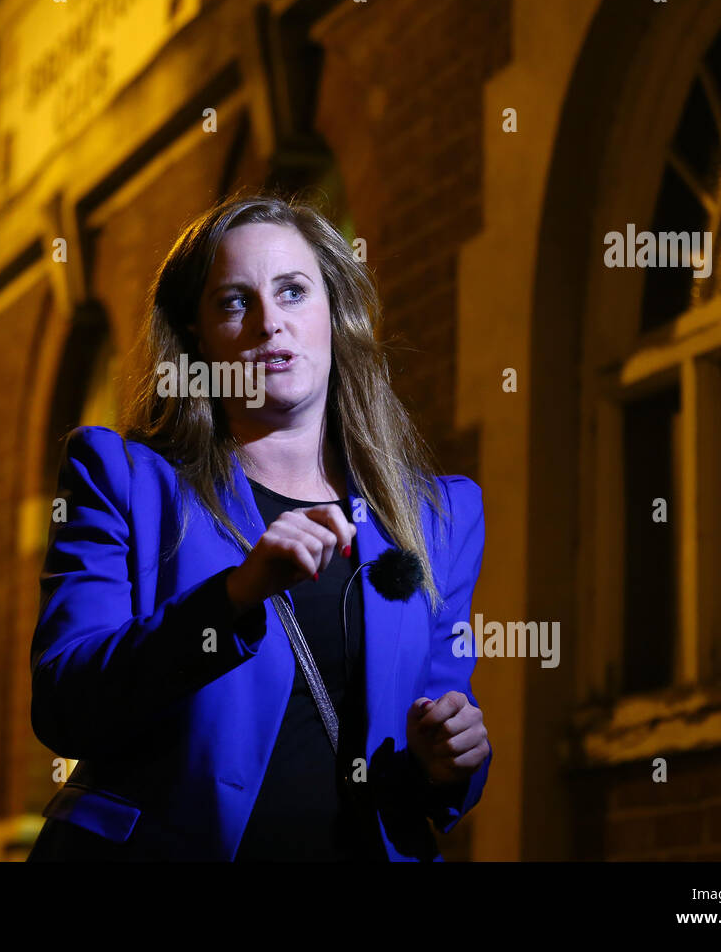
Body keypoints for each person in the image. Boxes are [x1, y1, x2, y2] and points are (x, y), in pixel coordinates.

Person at [26, 191, 490, 861]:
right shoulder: (122, 480)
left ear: (336, 312)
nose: (270, 322)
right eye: (234, 301)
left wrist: (450, 759)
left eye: (294, 291)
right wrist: (233, 597)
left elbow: (437, 737)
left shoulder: (437, 518)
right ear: (196, 336)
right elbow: (67, 702)